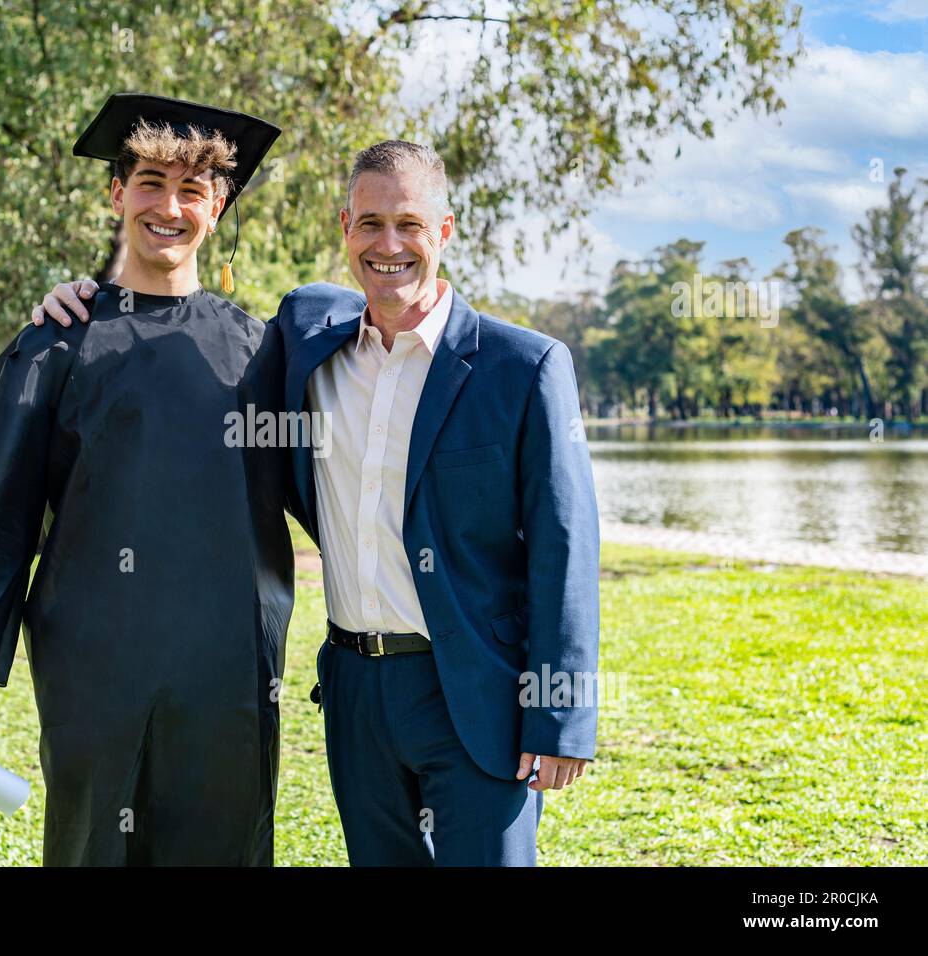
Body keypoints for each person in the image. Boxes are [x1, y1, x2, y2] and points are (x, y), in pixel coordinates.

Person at [36, 140, 600, 866]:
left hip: (475, 694)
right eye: (369, 224)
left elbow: (566, 547)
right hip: (356, 693)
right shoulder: (307, 334)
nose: (388, 245)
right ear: (344, 228)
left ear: (445, 233)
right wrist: (83, 303)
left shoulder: (524, 367)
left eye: (409, 225)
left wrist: (560, 720)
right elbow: (179, 353)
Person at [0, 93, 293, 866]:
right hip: (94, 664)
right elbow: (2, 504)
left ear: (219, 205)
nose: (167, 207)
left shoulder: (260, 353)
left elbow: (333, 488)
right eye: (148, 181)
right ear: (116, 193)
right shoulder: (59, 341)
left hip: (229, 670)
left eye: (191, 190)